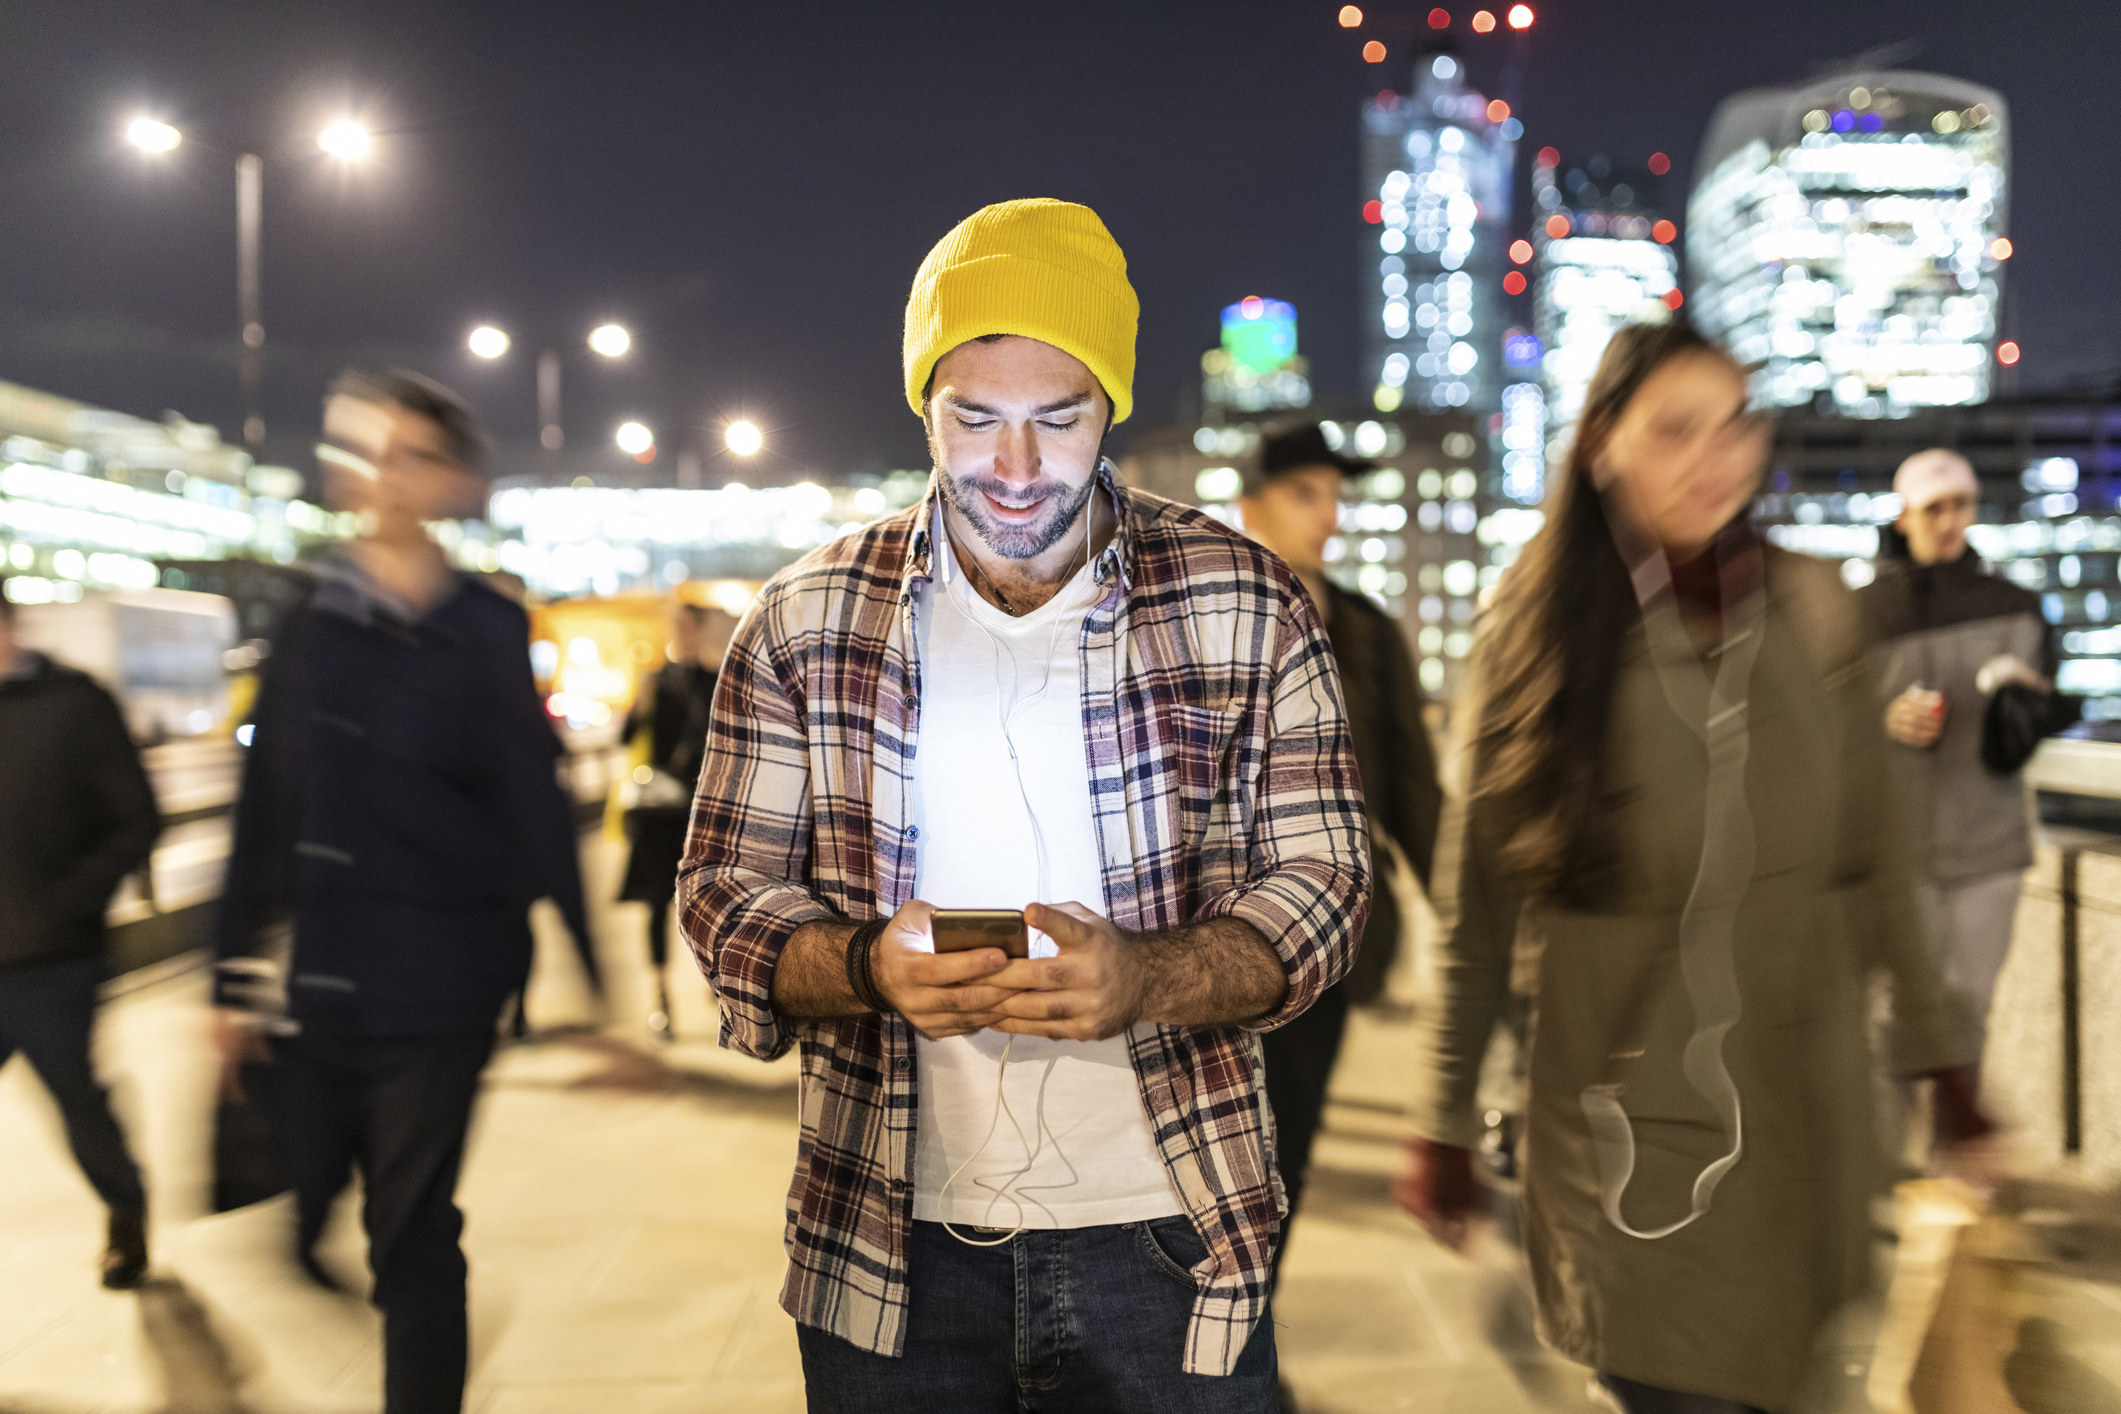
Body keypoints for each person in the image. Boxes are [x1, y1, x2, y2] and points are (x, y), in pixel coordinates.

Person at [680, 199, 1371, 1413]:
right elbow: (720, 895)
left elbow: (1325, 886)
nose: (1014, 467)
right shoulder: (804, 618)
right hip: (888, 1239)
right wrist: (864, 962)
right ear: (923, 408)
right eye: (974, 418)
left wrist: (1142, 978)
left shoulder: (1243, 600)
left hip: (1169, 1232)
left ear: (1110, 410)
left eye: (1058, 419)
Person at [1394, 322, 1988, 1414]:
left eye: (1738, 424)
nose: (1718, 455)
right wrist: (1442, 1122)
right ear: (1603, 445)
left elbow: (1880, 860)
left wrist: (1948, 1066)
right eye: (1677, 429)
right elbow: (1474, 902)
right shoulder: (1535, 631)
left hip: (1805, 1125)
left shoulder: (1815, 612)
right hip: (1625, 1141)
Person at [213, 369, 594, 1414]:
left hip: (443, 982)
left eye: (408, 453)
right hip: (325, 977)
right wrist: (229, 973)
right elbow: (264, 804)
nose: (381, 475)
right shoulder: (312, 618)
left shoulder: (482, 626)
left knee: (412, 1232)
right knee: (298, 1226)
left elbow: (534, 802)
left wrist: (592, 980)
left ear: (451, 478)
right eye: (363, 452)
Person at [1236, 423, 1441, 1267]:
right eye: (1304, 494)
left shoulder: (1364, 630)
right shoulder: (1206, 617)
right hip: (1210, 939)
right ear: (1250, 506)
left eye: (1334, 495)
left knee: (1283, 1161)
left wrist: (1468, 912)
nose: (1329, 516)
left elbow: (1416, 794)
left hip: (1327, 945)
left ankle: (1241, 1364)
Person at [1865, 448, 2078, 1049]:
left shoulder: (2017, 607)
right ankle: (1890, 1148)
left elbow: (2056, 703)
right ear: (1903, 516)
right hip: (1894, 856)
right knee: (1893, 1027)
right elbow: (1816, 724)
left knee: (1969, 1020)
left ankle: (1946, 1145)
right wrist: (1880, 718)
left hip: (1990, 849)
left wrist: (2031, 699)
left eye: (1961, 505)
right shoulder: (1857, 615)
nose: (1949, 520)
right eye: (1933, 508)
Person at [0, 577, 160, 1288]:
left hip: (54, 957)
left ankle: (125, 1209)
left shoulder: (75, 704)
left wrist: (72, 902)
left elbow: (136, 818)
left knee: (73, 1096)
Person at [619, 600, 723, 1037]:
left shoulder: (715, 680)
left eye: (688, 627)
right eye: (676, 626)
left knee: (708, 902)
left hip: (699, 811)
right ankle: (660, 997)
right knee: (655, 904)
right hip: (659, 812)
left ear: (699, 632)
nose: (681, 634)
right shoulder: (655, 681)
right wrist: (639, 704)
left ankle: (716, 983)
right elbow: (626, 738)